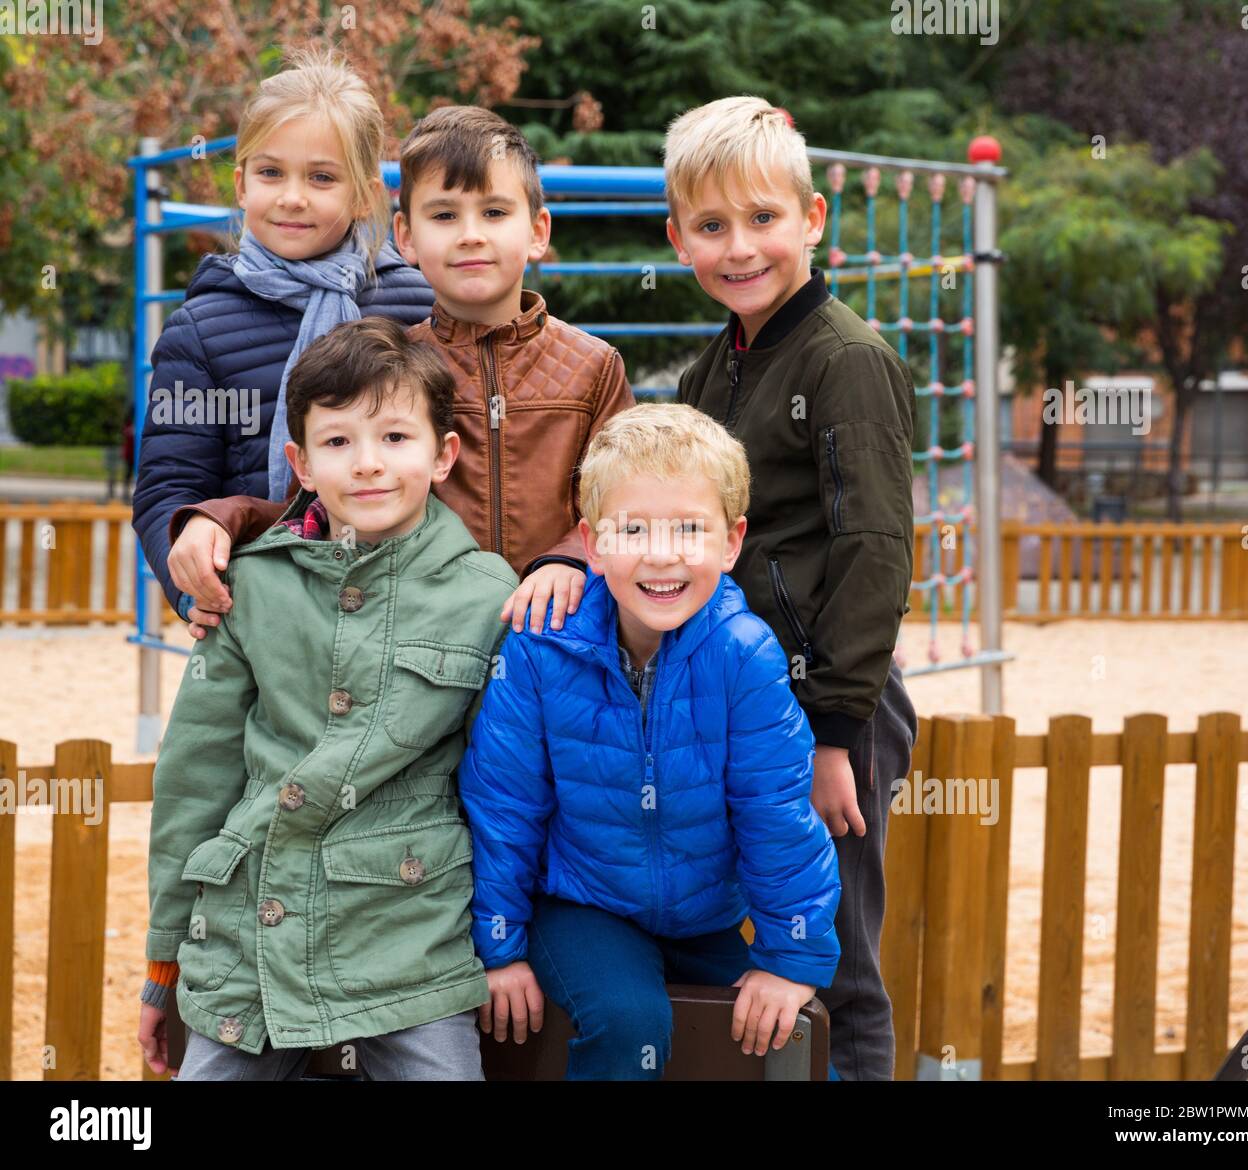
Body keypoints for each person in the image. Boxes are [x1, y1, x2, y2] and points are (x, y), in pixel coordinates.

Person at [136, 317, 517, 1080]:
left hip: (409, 936)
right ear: (300, 463)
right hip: (251, 934)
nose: (369, 465)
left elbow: (505, 788)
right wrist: (164, 955)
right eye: (339, 443)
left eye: (396, 439)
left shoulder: (488, 596)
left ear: (443, 456)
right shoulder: (251, 586)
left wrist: (509, 944)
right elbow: (195, 773)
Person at [458, 404, 841, 1080]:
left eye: (690, 529)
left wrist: (789, 959)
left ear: (731, 542)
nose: (662, 553)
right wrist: (500, 945)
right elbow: (504, 805)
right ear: (593, 542)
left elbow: (775, 814)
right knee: (628, 1021)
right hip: (583, 902)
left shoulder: (744, 656)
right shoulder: (541, 648)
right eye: (634, 529)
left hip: (701, 913)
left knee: (781, 1041)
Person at [162, 105, 634, 642]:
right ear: (405, 238)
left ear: (538, 230)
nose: (471, 235)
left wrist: (567, 560)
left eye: (495, 213)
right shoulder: (390, 368)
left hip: (555, 638)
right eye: (445, 215)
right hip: (413, 643)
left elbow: (626, 502)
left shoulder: (594, 366)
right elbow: (312, 507)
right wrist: (221, 518)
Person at [663, 96, 919, 1080]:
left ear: (811, 220)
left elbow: (874, 552)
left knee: (831, 951)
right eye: (713, 226)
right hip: (736, 691)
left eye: (763, 219)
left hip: (826, 703)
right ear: (677, 238)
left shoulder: (845, 361)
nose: (739, 247)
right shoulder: (712, 371)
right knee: (739, 942)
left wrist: (831, 733)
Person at [131, 47, 434, 625]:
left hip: (404, 606)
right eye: (271, 173)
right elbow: (167, 488)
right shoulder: (198, 332)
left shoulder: (415, 306)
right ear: (242, 184)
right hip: (264, 613)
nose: (292, 196)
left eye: (321, 177)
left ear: (365, 195)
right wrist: (195, 584)